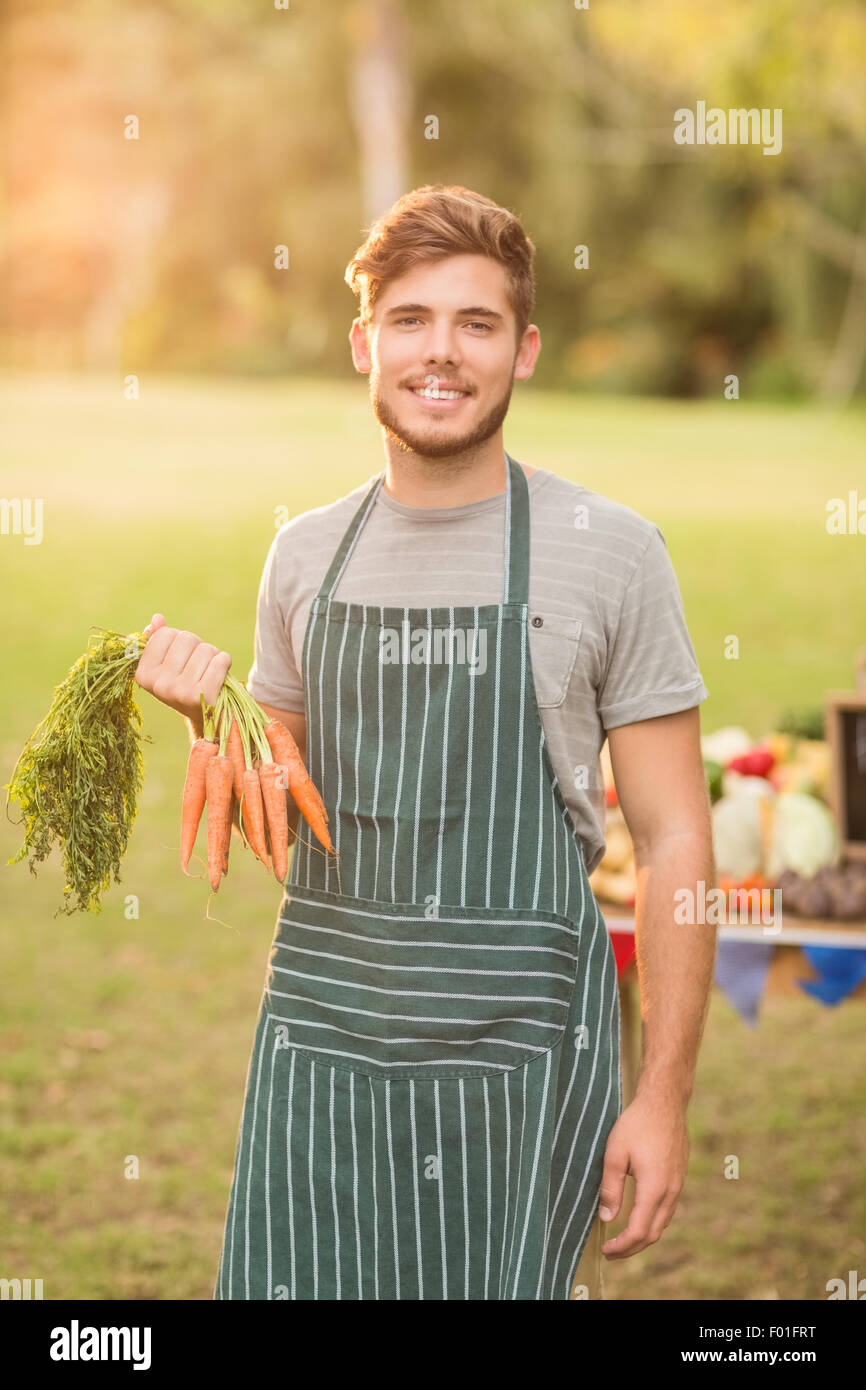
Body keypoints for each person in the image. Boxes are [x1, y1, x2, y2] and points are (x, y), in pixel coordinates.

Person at [135, 184, 717, 1301]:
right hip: (322, 1049)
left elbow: (676, 839)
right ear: (364, 342)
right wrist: (217, 715)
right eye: (409, 319)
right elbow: (282, 806)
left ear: (524, 349)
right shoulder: (303, 557)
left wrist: (661, 1098)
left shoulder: (613, 555)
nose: (438, 353)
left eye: (475, 322)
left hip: (520, 1058)